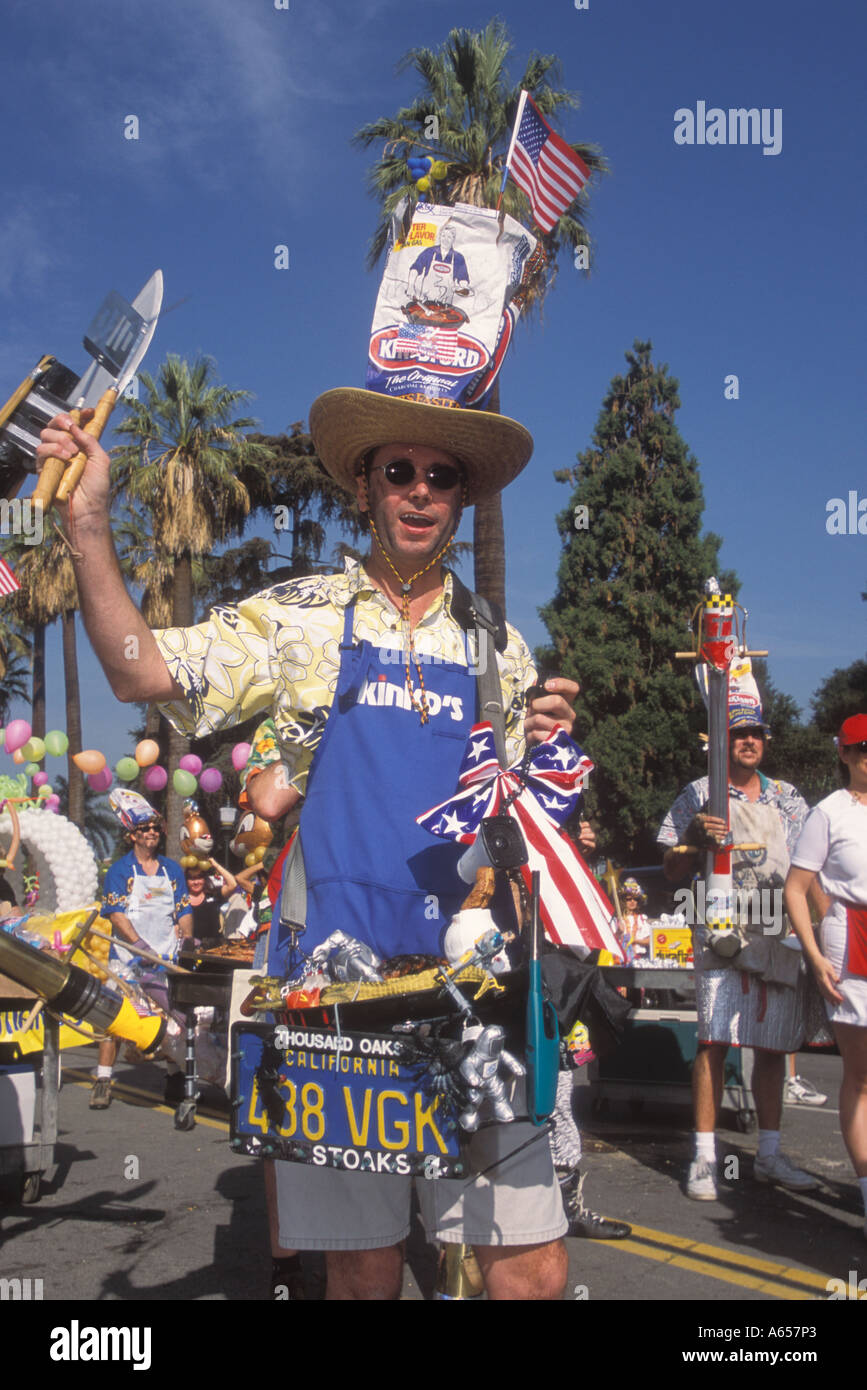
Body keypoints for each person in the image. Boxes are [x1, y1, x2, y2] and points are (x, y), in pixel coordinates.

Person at [38, 391, 581, 1300]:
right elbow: (139, 668)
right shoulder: (302, 615)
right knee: (364, 1271)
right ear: (365, 487)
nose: (417, 490)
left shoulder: (501, 647)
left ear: (459, 497)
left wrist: (546, 750)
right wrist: (89, 522)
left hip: (476, 990)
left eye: (439, 476)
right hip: (337, 990)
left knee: (530, 1267)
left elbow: (516, 818)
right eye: (397, 471)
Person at [657, 705, 821, 1201]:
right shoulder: (699, 793)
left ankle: (768, 1154)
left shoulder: (788, 798)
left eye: (756, 734)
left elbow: (811, 872)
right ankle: (706, 1157)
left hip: (775, 925)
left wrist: (826, 929)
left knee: (772, 1045)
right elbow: (668, 868)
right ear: (721, 742)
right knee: (713, 1039)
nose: (748, 741)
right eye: (739, 734)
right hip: (719, 923)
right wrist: (691, 842)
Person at [785, 714, 867, 1237]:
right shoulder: (828, 813)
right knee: (861, 1077)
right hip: (850, 938)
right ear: (843, 754)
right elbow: (796, 889)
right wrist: (815, 957)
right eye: (859, 749)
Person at [93, 798, 192, 1109]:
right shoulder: (120, 871)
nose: (151, 832)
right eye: (144, 828)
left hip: (164, 961)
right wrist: (138, 944)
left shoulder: (171, 869)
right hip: (127, 962)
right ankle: (103, 1079)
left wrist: (187, 938)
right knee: (115, 1020)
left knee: (172, 1021)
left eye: (155, 828)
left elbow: (183, 909)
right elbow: (115, 912)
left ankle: (174, 1078)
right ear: (131, 835)